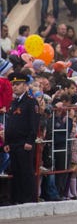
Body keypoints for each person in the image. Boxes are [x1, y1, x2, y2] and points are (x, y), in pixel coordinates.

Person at [6, 71, 40, 204]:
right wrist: (7, 142)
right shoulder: (14, 102)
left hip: (24, 142)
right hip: (13, 143)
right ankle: (16, 198)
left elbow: (34, 123)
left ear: (25, 86)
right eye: (13, 85)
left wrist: (30, 140)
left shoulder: (31, 102)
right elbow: (10, 123)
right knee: (16, 171)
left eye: (18, 84)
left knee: (26, 171)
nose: (15, 87)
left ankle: (29, 198)